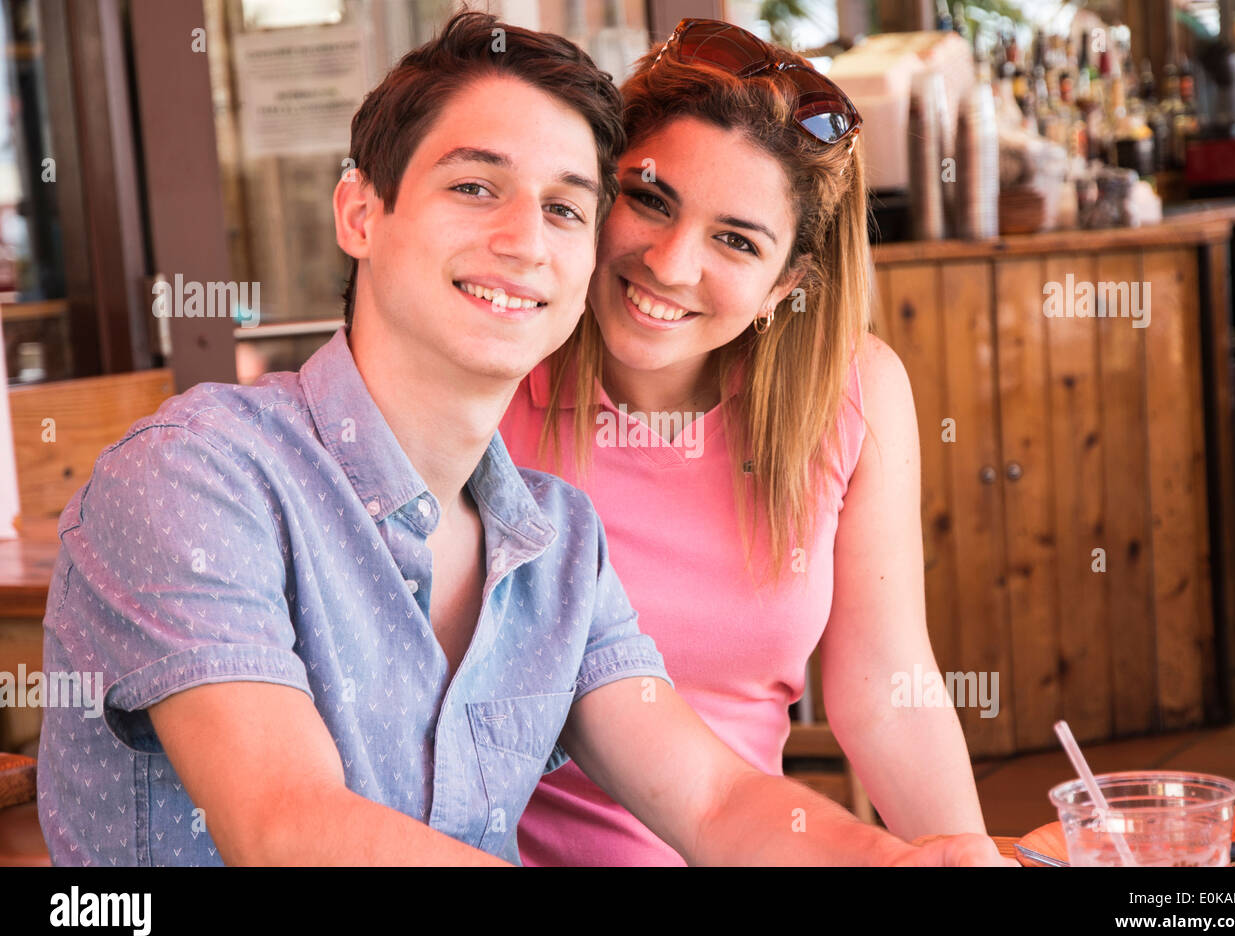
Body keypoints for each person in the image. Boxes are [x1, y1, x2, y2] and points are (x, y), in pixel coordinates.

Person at [35, 11, 1007, 867]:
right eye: (473, 186)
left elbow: (714, 799)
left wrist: (914, 859)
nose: (526, 241)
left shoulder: (552, 541)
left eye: (562, 208)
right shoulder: (197, 474)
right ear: (360, 209)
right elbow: (286, 829)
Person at [500, 18, 990, 866]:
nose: (671, 263)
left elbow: (884, 690)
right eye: (649, 198)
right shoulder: (497, 371)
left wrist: (959, 850)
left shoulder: (855, 393)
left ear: (784, 285)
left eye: (736, 240)